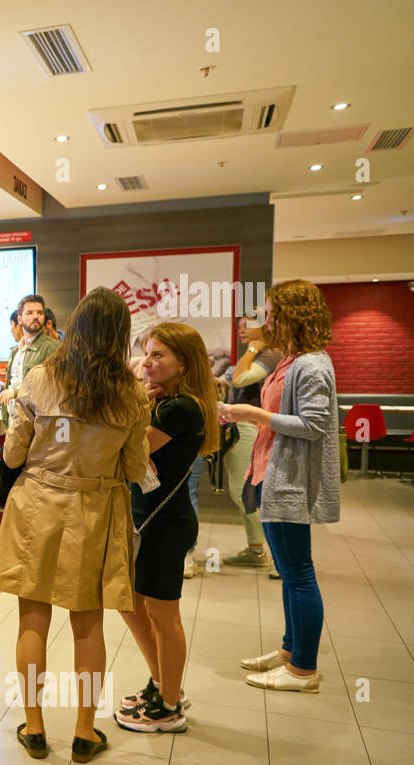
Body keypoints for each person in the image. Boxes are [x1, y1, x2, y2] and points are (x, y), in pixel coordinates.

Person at [0, 287, 151, 763]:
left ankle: (34, 728)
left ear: (74, 327)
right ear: (120, 336)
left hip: (37, 503)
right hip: (96, 511)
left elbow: (14, 453)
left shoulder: (39, 380)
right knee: (88, 624)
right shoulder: (131, 394)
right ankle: (84, 732)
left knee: (32, 617)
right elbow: (137, 467)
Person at [221, 280, 339, 692]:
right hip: (273, 474)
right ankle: (291, 650)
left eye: (271, 312)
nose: (265, 320)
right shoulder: (292, 360)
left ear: (294, 316)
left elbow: (312, 425)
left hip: (288, 479)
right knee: (291, 573)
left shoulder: (312, 364)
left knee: (298, 574)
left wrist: (253, 413)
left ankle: (303, 669)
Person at [115, 322, 219, 733]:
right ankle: (162, 683)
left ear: (184, 363)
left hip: (165, 522)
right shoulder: (163, 401)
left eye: (159, 355)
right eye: (147, 352)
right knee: (133, 604)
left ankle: (170, 706)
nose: (148, 362)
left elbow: (125, 448)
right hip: (148, 518)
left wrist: (136, 406)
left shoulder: (182, 407)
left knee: (162, 612)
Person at [217, 314, 284, 574]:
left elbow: (240, 379)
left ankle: (277, 555)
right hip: (243, 427)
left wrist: (254, 348)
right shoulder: (259, 355)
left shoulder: (267, 355)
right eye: (239, 326)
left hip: (251, 427)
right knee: (243, 492)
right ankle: (257, 549)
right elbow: (231, 378)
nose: (241, 330)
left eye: (247, 325)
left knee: (244, 491)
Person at [0, 296, 58, 418]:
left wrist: (15, 393)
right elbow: (16, 381)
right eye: (30, 313)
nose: (36, 316)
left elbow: (50, 387)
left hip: (34, 423)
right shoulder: (15, 350)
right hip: (12, 418)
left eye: (40, 313)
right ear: (20, 319)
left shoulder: (52, 347)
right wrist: (2, 388)